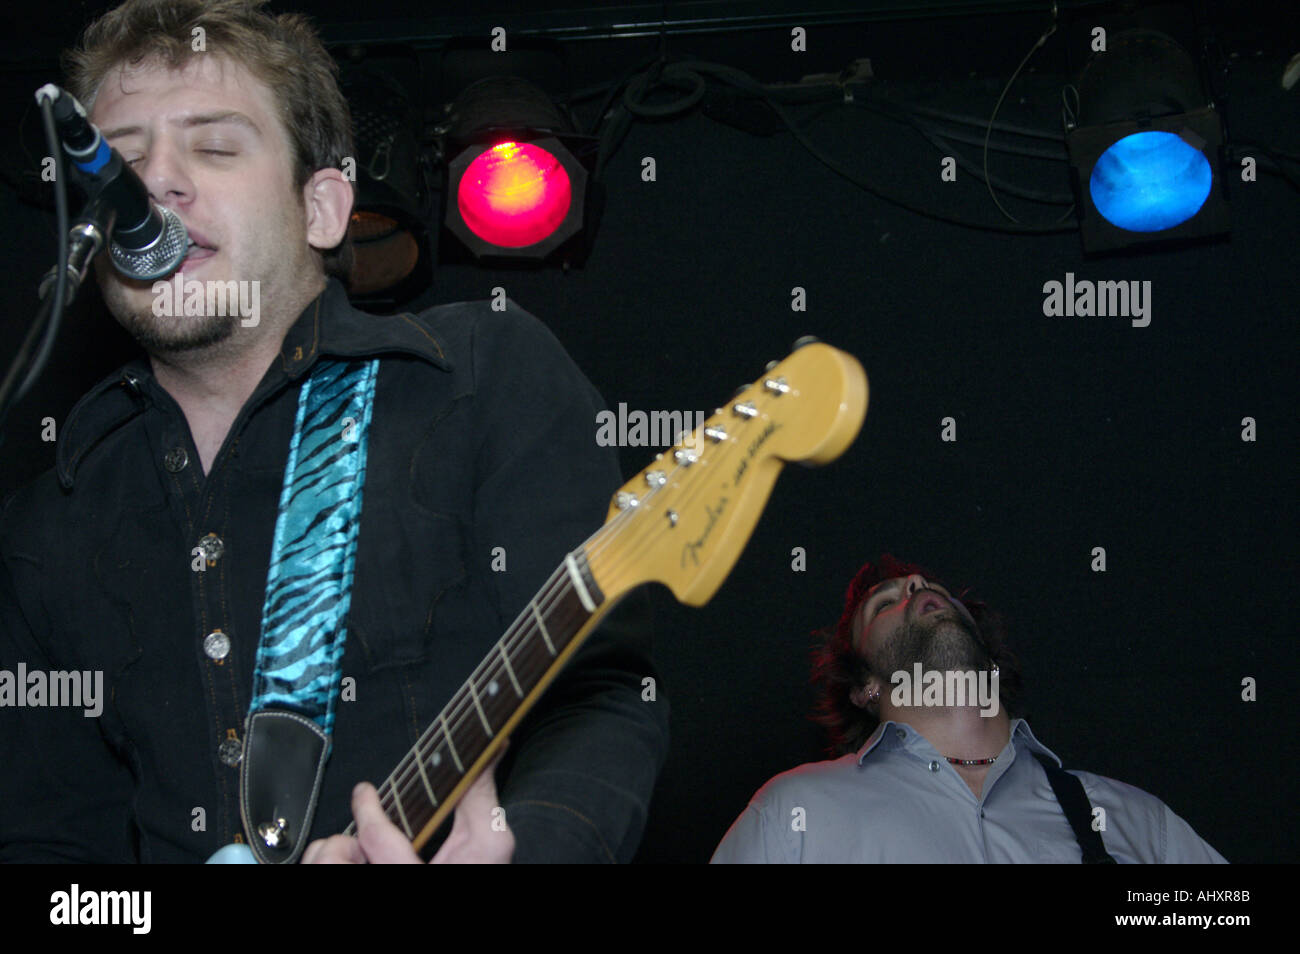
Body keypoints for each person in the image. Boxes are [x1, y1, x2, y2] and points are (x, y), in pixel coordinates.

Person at [0, 0, 668, 864]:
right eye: (121, 160)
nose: (154, 182)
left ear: (321, 209)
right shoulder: (48, 520)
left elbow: (601, 691)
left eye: (213, 146)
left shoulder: (477, 378)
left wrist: (530, 850)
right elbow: (51, 852)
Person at [710, 554, 1225, 863]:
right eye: (883, 603)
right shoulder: (796, 814)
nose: (916, 586)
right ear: (864, 686)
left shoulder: (1135, 822)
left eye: (929, 587)